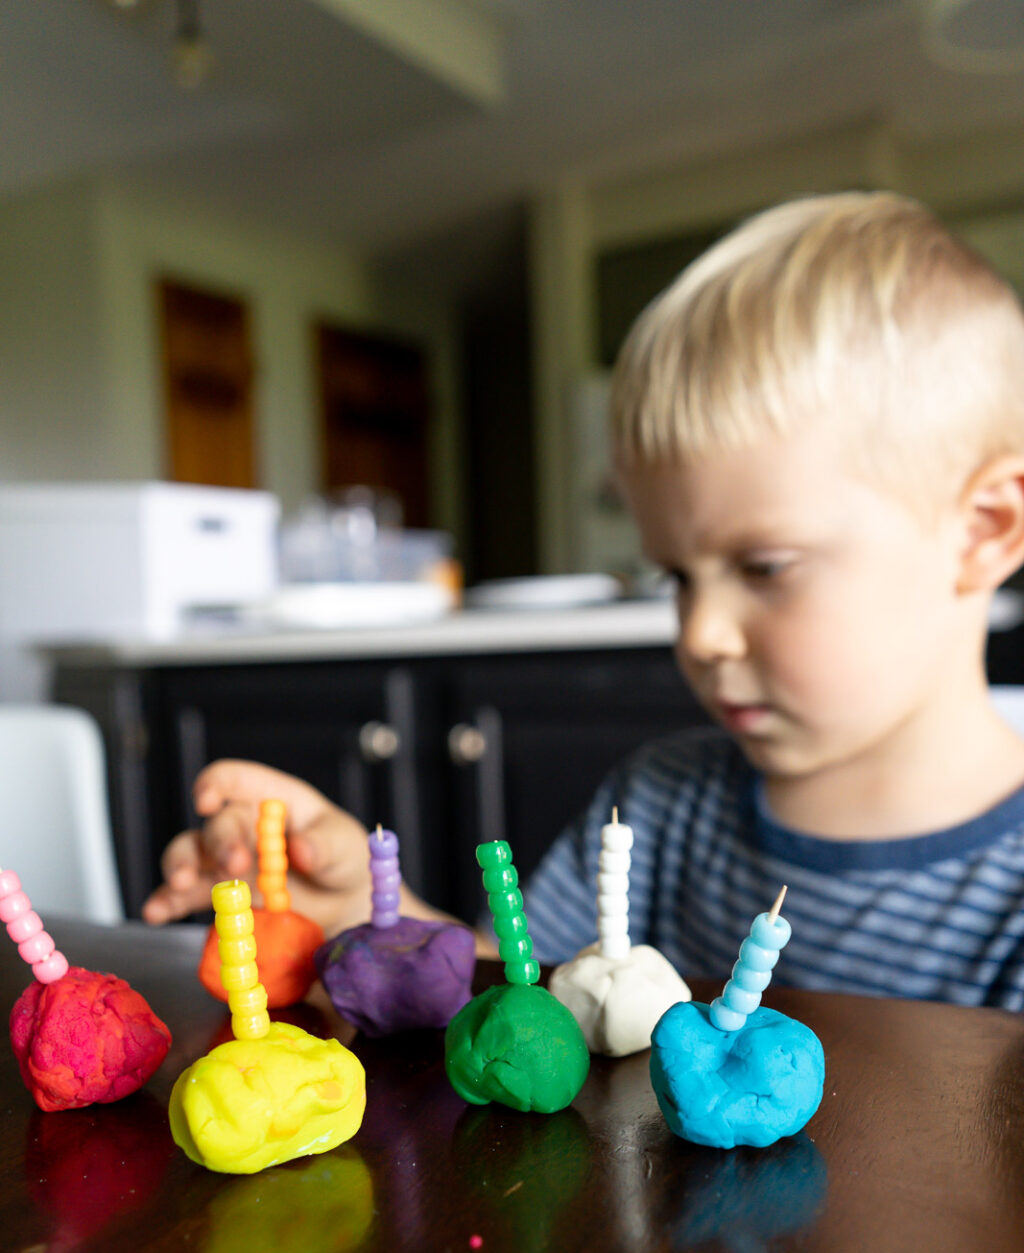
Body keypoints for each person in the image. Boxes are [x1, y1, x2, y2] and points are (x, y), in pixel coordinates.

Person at [144, 191, 1024, 1007]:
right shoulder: (662, 802)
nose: (701, 633)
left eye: (764, 566)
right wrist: (354, 917)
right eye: (677, 577)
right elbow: (518, 999)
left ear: (984, 530)